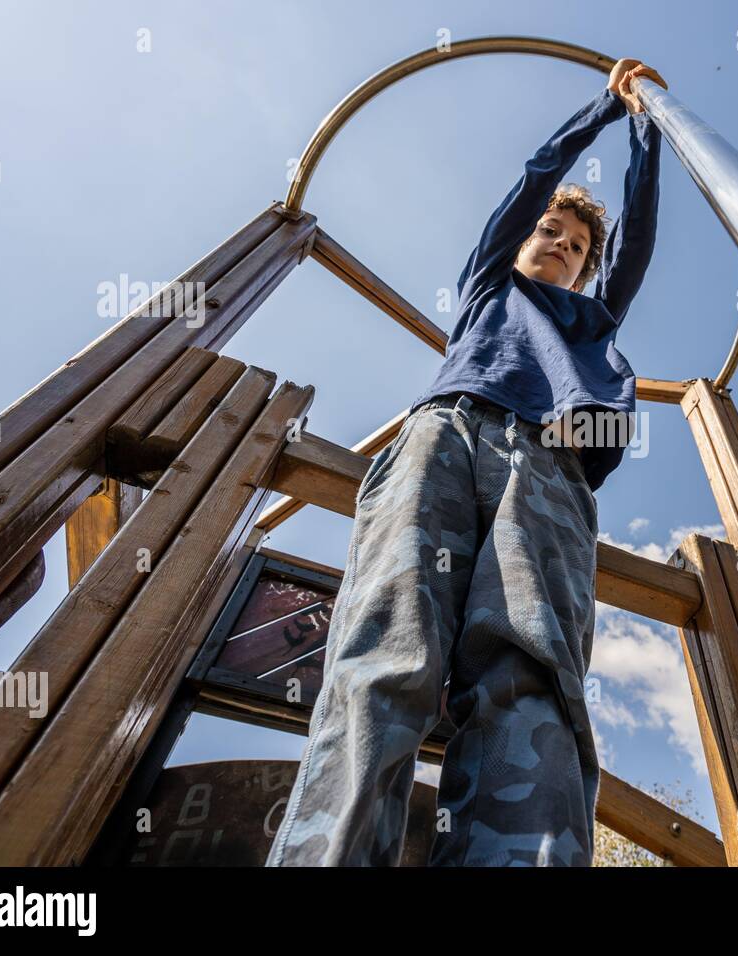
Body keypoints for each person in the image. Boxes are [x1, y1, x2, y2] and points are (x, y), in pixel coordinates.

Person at [265, 57, 665, 867]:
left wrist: (646, 129)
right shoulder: (490, 285)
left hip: (549, 461)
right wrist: (600, 108)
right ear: (523, 241)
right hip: (444, 434)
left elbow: (638, 243)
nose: (560, 244)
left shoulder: (591, 321)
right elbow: (535, 178)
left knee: (532, 664)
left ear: (590, 268)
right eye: (550, 232)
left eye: (578, 244)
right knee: (387, 646)